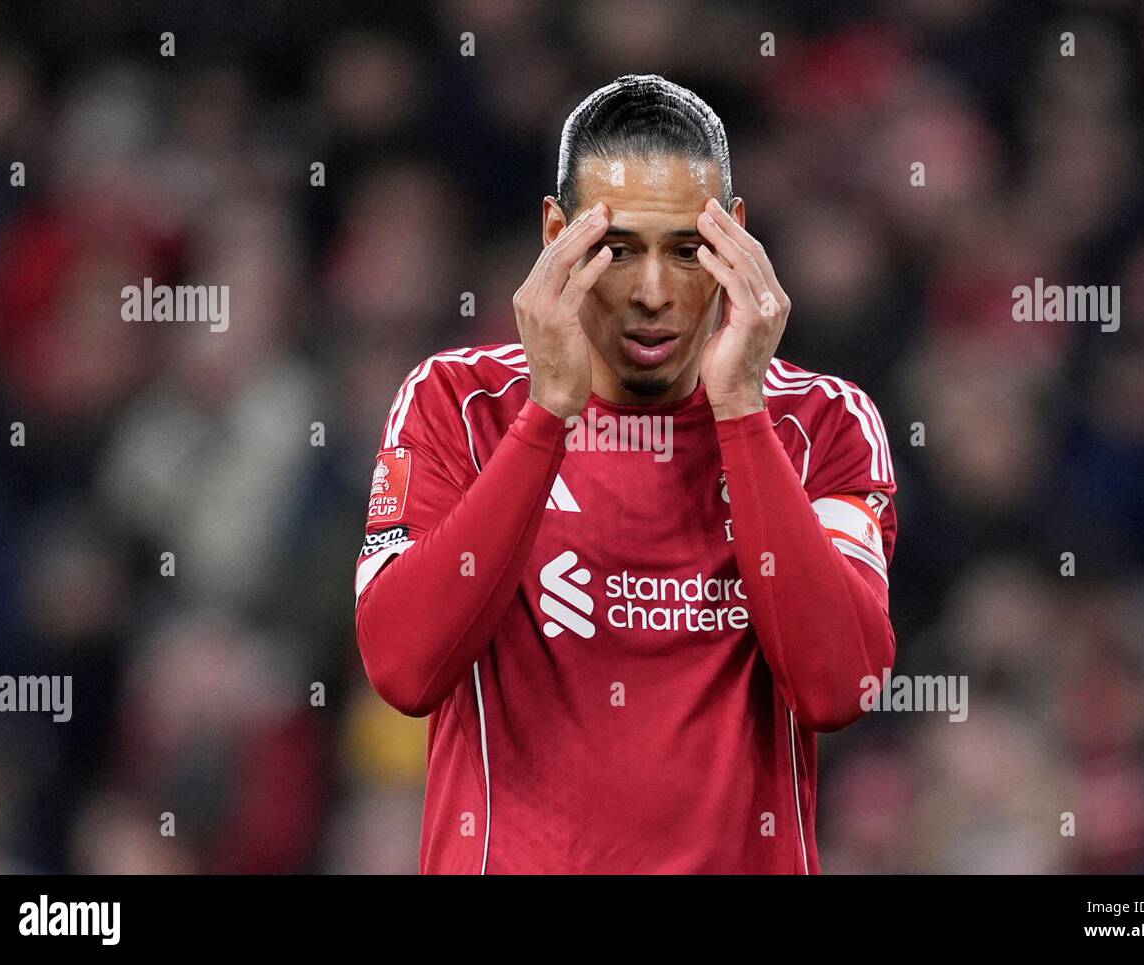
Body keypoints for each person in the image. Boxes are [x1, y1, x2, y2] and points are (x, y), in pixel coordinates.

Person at [354, 74, 898, 874]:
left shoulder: (822, 424)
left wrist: (741, 408)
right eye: (617, 249)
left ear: (736, 240)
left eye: (687, 251)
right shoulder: (458, 405)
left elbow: (841, 686)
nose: (652, 293)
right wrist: (547, 417)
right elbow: (404, 667)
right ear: (556, 235)